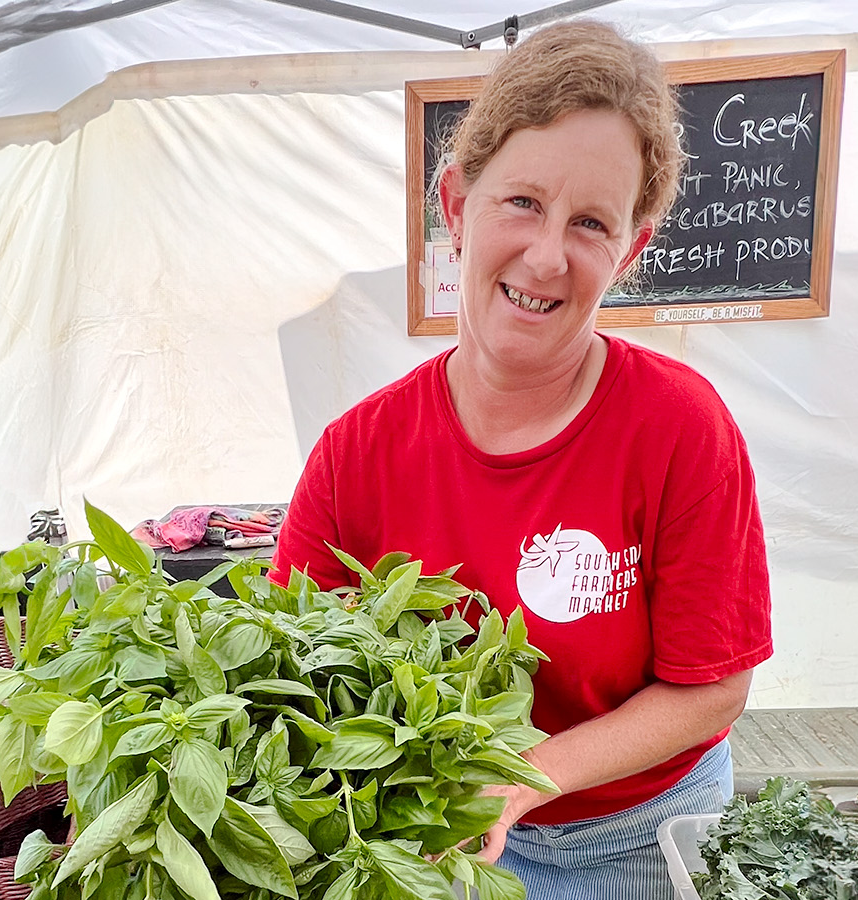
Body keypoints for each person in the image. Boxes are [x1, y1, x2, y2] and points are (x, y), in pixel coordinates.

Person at [272, 20, 772, 898]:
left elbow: (711, 691)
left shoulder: (680, 428)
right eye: (522, 202)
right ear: (457, 204)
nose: (546, 256)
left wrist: (521, 777)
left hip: (638, 839)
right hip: (434, 834)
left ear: (631, 249)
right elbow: (294, 679)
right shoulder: (357, 456)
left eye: (590, 223)